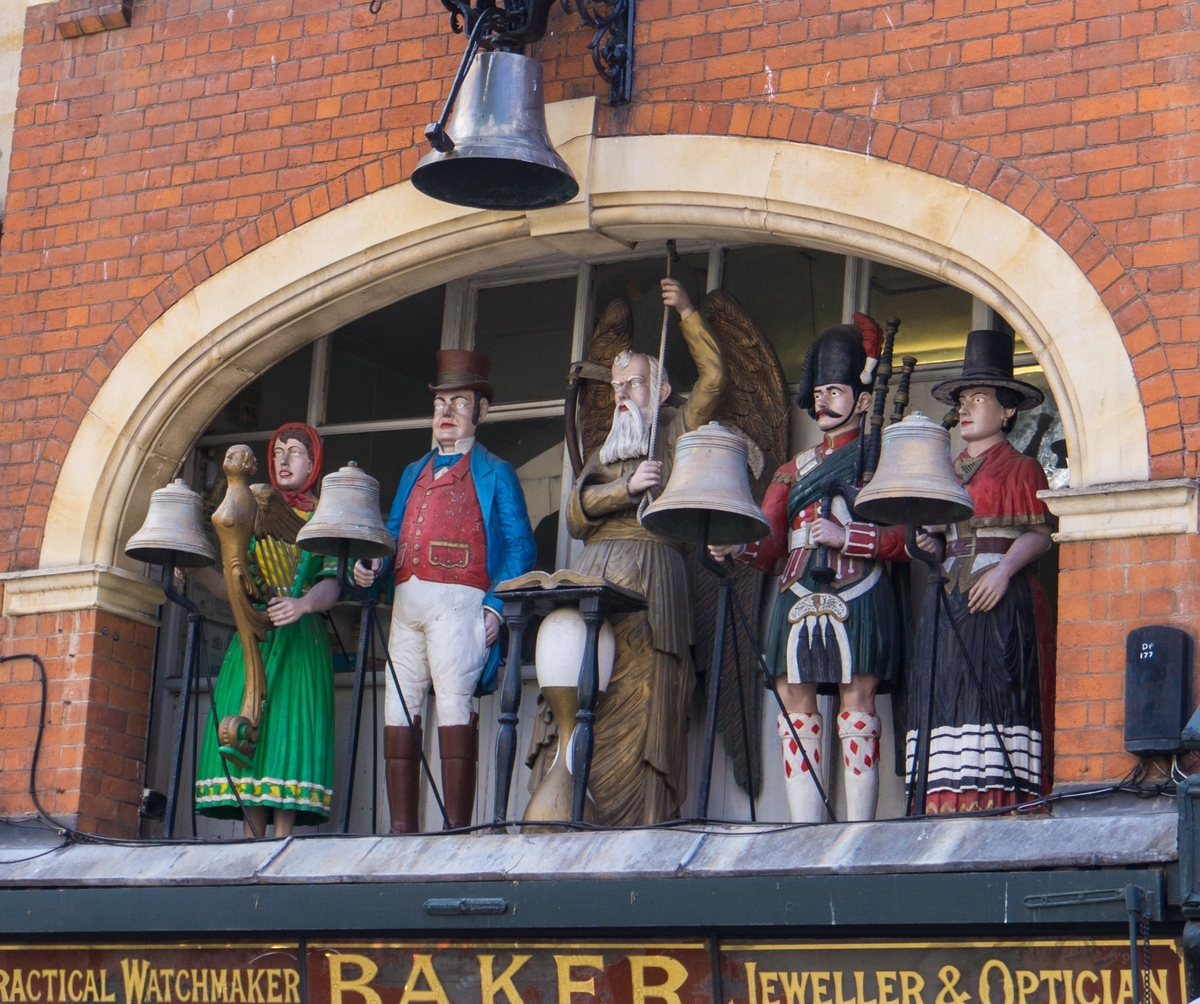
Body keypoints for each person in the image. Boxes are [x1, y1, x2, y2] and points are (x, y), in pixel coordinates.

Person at [713, 316, 907, 823]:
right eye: (818, 391)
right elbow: (771, 541)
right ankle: (805, 827)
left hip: (860, 586)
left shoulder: (887, 458)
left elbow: (912, 539)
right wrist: (737, 550)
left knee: (856, 694)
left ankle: (859, 826)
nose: (823, 401)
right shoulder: (790, 470)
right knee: (791, 694)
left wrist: (850, 537)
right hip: (796, 588)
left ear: (863, 400)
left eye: (835, 391)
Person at [565, 277, 727, 825]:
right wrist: (623, 490)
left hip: (655, 574)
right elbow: (574, 513)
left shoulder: (678, 429)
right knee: (589, 688)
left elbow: (714, 378)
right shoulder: (606, 450)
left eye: (632, 385)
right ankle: (575, 805)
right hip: (595, 576)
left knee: (648, 695)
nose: (621, 396)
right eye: (616, 387)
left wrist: (685, 312)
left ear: (658, 392)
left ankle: (643, 815)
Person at [354, 350, 536, 833]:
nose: (447, 413)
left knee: (455, 703)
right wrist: (373, 564)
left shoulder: (496, 473)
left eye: (459, 402)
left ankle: (456, 828)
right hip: (408, 607)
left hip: (461, 605)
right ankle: (402, 829)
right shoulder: (414, 470)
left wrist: (495, 609)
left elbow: (520, 549)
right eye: (441, 404)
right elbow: (390, 535)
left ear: (481, 411)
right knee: (399, 704)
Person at [908, 329, 1053, 813]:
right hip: (948, 594)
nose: (966, 409)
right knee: (946, 689)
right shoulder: (944, 469)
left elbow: (1039, 533)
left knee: (996, 689)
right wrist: (930, 543)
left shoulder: (1022, 469)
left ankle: (996, 795)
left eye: (979, 399)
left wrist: (1005, 570)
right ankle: (943, 799)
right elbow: (938, 540)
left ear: (1007, 410)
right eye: (964, 400)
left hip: (997, 595)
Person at [193, 422, 339, 838]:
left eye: (295, 451)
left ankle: (282, 838)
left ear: (313, 462)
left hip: (298, 641)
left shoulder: (324, 515)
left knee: (287, 734)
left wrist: (304, 604)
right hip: (252, 637)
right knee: (249, 730)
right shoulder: (249, 511)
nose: (283, 459)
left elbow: (333, 581)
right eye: (277, 453)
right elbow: (232, 586)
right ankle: (252, 841)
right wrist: (193, 564)